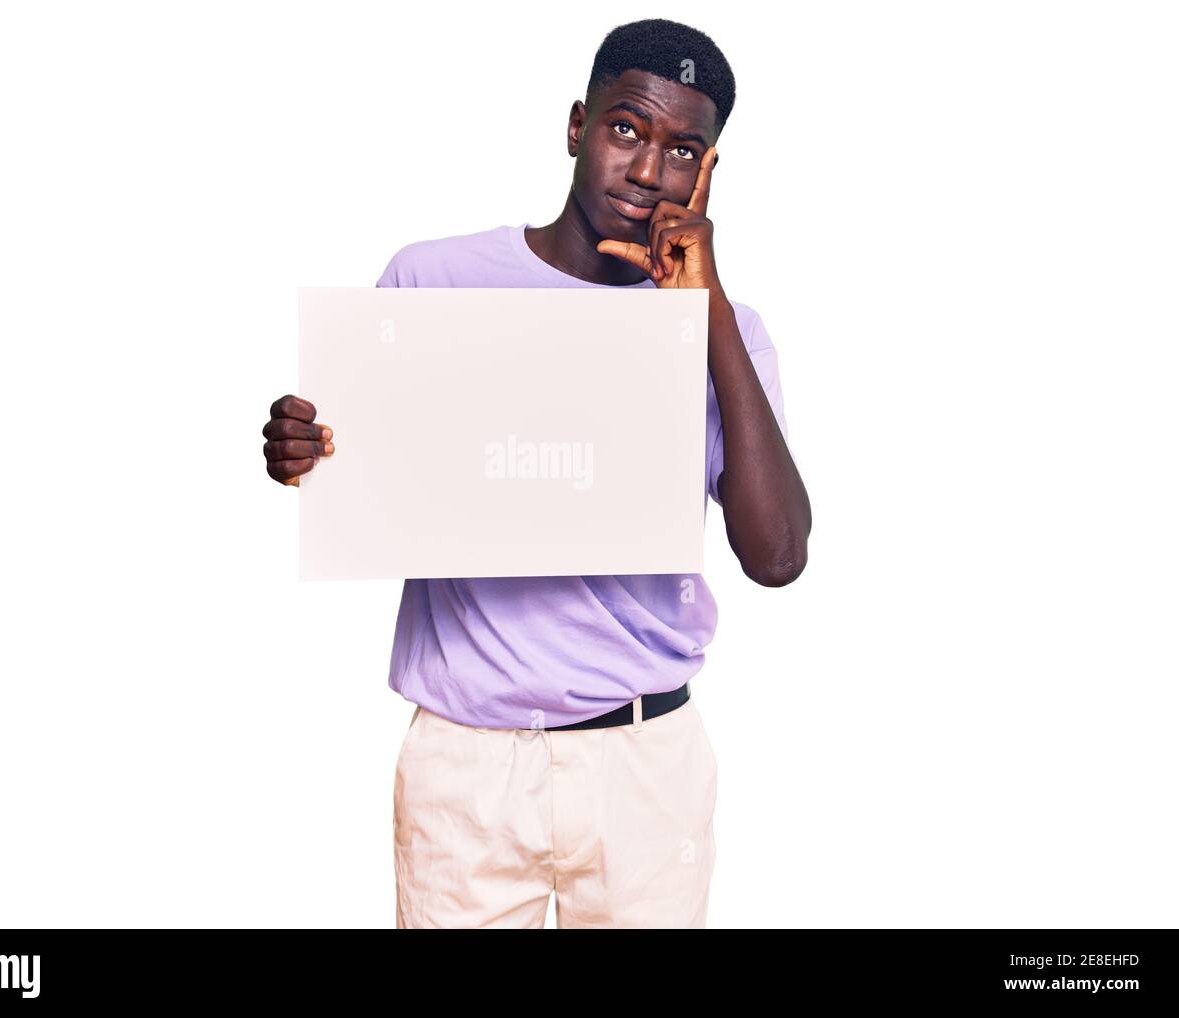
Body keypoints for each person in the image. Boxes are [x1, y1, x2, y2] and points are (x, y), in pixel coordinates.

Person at [261, 18, 811, 928]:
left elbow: (778, 552)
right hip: (467, 767)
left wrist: (702, 304)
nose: (646, 171)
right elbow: (364, 469)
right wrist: (303, 452)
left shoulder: (729, 331)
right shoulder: (432, 281)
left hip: (644, 763)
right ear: (576, 126)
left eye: (683, 150)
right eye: (626, 129)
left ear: (708, 172)